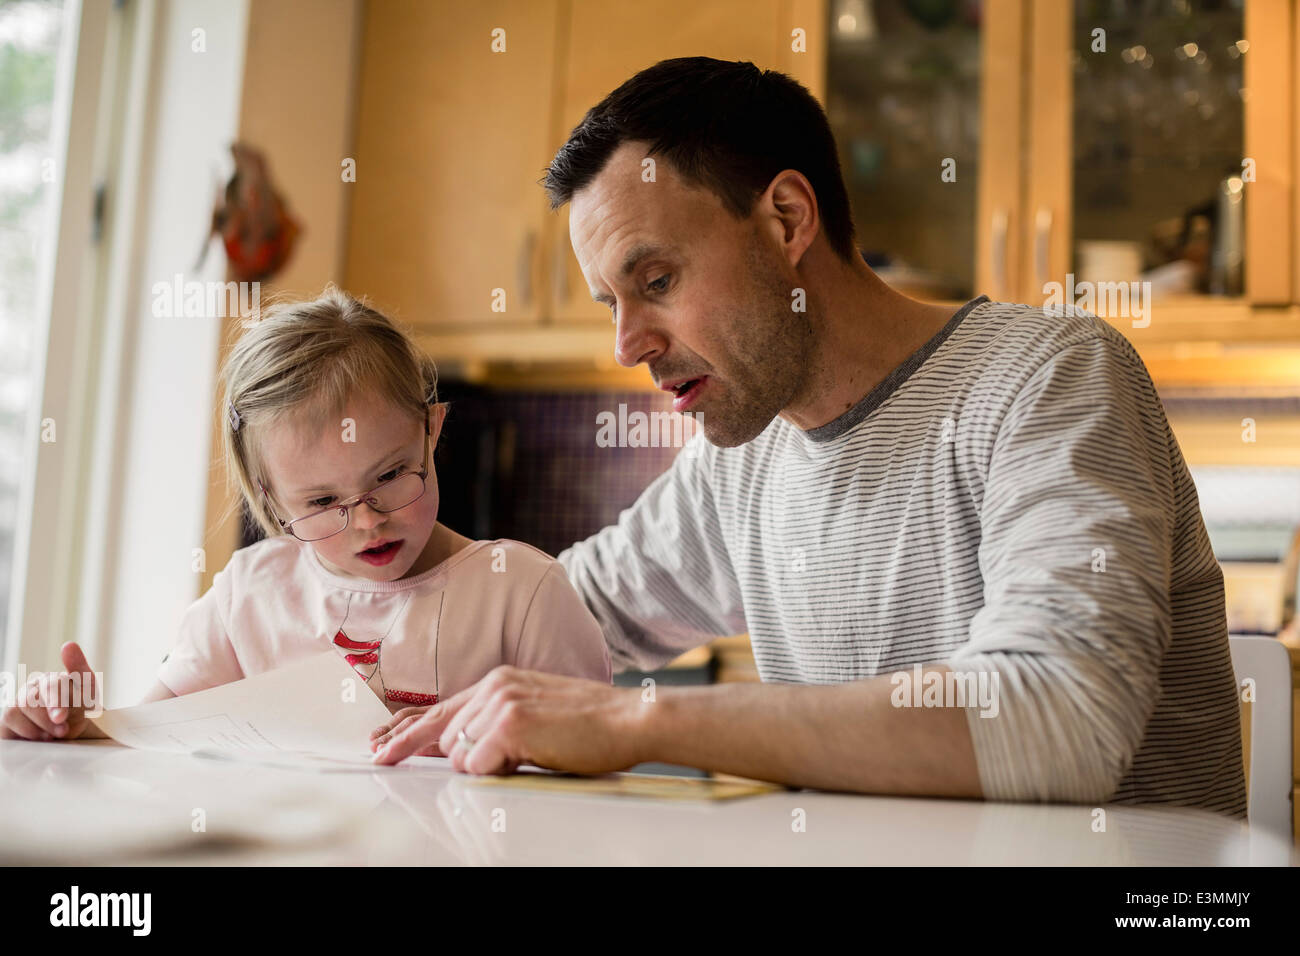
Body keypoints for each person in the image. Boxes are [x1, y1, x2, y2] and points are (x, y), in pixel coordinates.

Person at [368, 56, 1245, 818]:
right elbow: (550, 614)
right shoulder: (738, 458)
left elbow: (1060, 720)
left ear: (787, 218)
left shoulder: (1048, 378)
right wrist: (312, 605)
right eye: (612, 303)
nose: (626, 343)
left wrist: (634, 721)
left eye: (658, 279)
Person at [2, 287, 610, 745]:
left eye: (391, 476)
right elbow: (155, 746)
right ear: (269, 499)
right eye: (321, 503)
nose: (367, 523)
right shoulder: (249, 597)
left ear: (432, 432)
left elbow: (599, 759)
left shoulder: (524, 594)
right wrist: (72, 731)